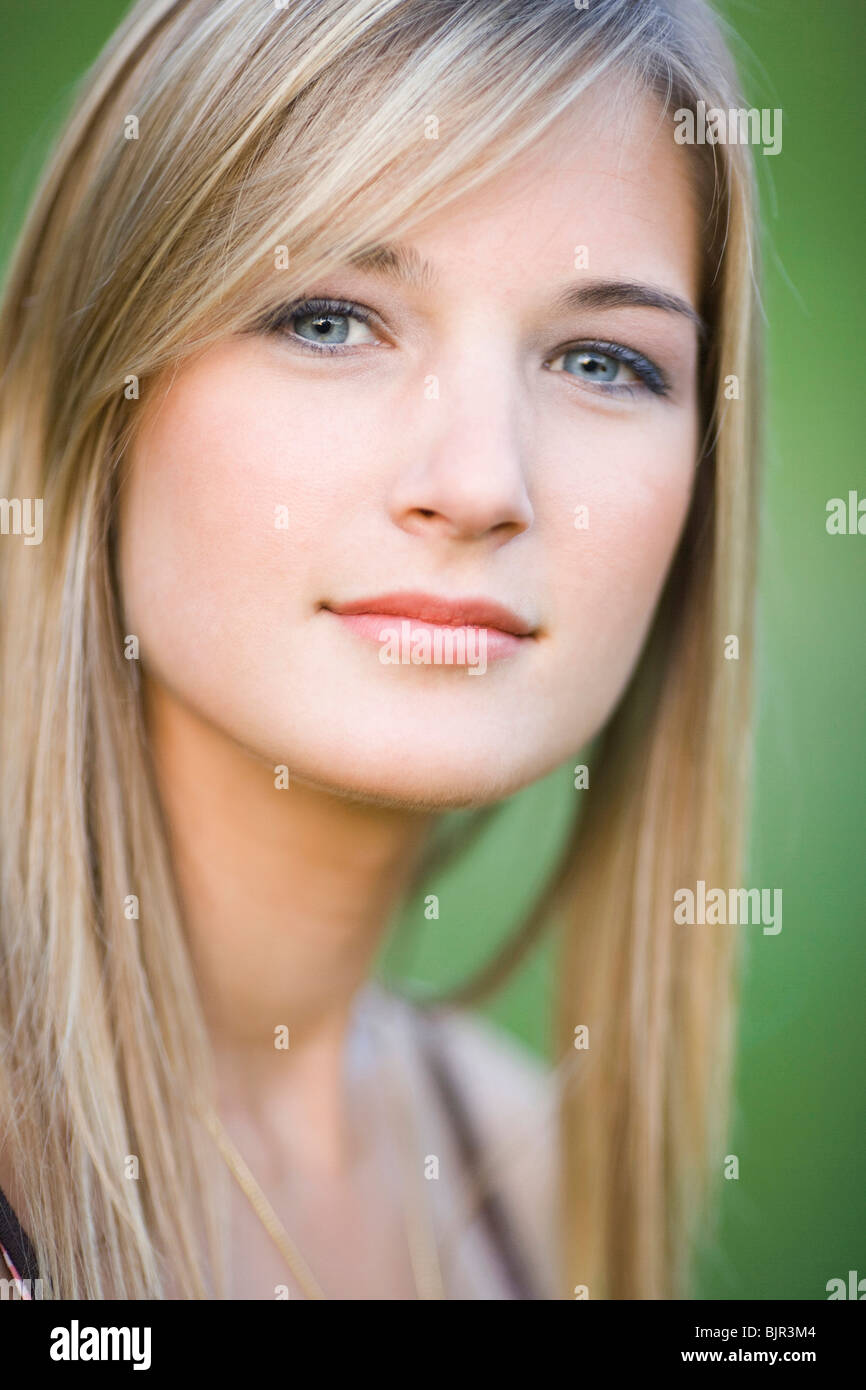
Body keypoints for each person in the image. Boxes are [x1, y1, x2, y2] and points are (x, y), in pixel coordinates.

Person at [0, 0, 762, 1300]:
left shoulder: (534, 1179)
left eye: (600, 359)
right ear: (94, 395)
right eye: (328, 321)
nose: (476, 483)